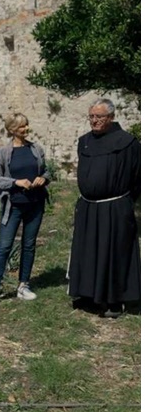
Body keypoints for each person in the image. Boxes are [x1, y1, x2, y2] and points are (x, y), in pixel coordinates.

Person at [68, 99, 141, 316]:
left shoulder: (127, 143)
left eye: (98, 117)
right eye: (91, 116)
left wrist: (125, 202)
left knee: (113, 252)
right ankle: (88, 294)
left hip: (115, 207)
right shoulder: (85, 142)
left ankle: (114, 300)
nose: (94, 121)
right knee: (88, 251)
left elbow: (137, 176)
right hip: (88, 207)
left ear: (111, 117)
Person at [0, 113, 50, 309]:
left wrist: (43, 179)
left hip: (35, 204)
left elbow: (46, 171)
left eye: (27, 125)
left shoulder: (36, 149)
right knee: (4, 247)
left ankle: (23, 286)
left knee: (29, 245)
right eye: (22, 126)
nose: (26, 129)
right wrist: (16, 182)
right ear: (12, 129)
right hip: (12, 206)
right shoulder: (3, 153)